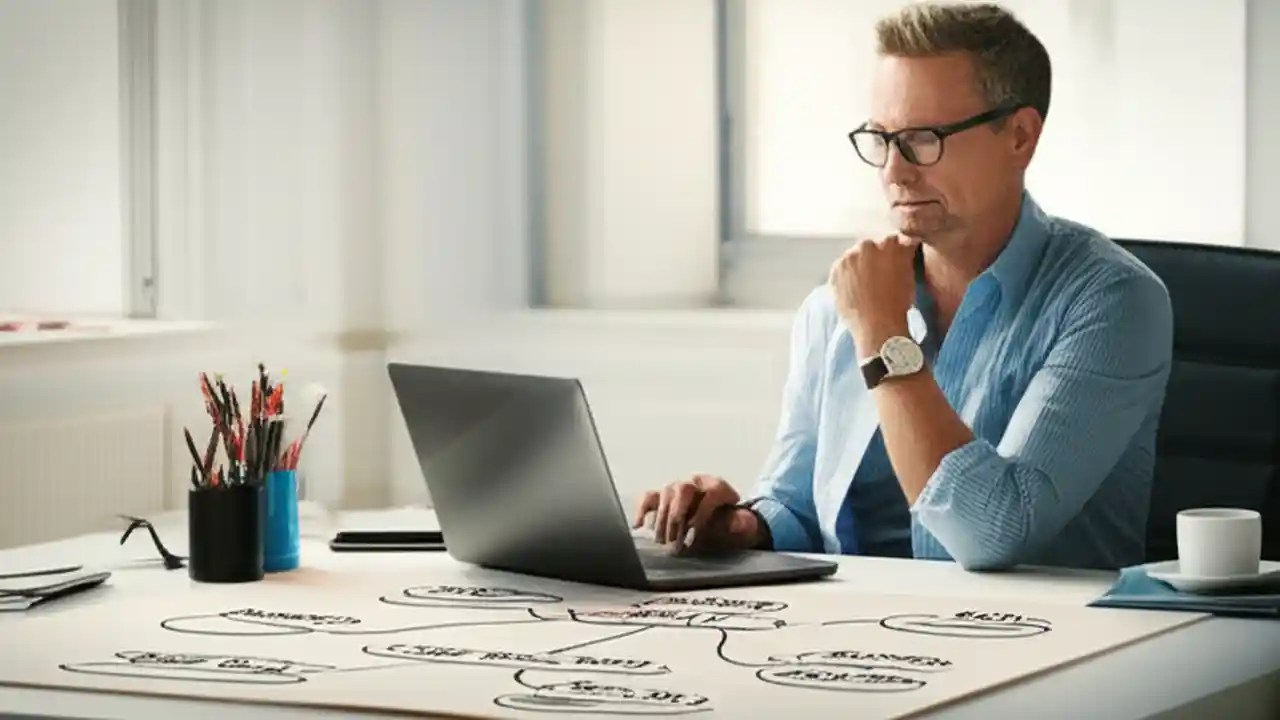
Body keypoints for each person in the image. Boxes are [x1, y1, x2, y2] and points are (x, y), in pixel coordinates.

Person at [633, 1, 1173, 571]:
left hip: (1042, 639)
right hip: (857, 629)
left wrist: (884, 336)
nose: (893, 170)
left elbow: (995, 532)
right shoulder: (835, 307)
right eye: (880, 138)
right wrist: (737, 524)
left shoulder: (1114, 301)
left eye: (922, 138)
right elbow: (795, 507)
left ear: (1019, 136)